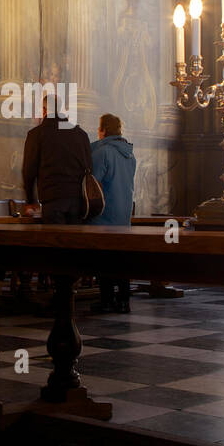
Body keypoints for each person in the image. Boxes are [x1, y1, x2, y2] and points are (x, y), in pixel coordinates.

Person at [89, 113, 136, 312]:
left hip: (105, 212)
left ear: (103, 130)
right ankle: (124, 300)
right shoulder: (129, 153)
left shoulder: (103, 152)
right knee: (120, 258)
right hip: (123, 211)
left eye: (99, 128)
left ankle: (106, 300)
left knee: (103, 259)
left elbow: (93, 182)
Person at [21, 96, 92, 224]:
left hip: (52, 200)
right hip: (77, 202)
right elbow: (89, 168)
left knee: (55, 241)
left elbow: (29, 171)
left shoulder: (36, 134)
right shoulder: (80, 134)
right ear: (60, 109)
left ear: (44, 110)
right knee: (75, 242)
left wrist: (31, 201)